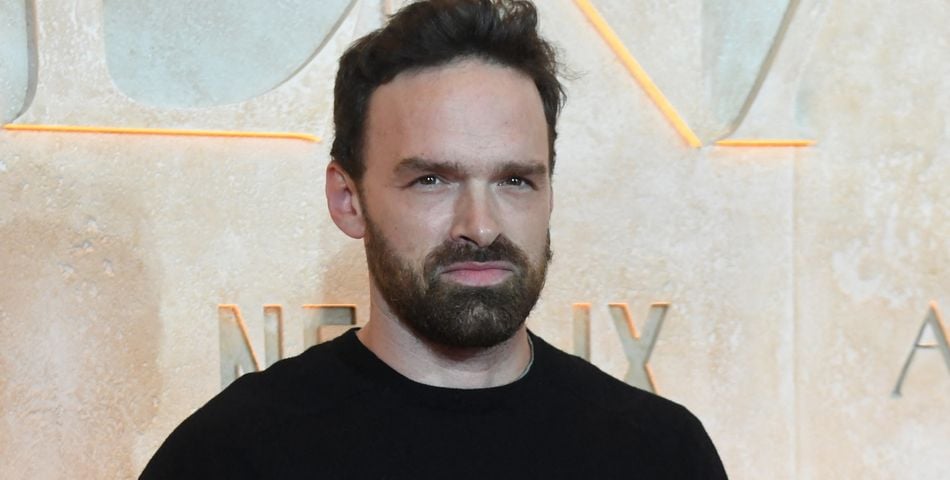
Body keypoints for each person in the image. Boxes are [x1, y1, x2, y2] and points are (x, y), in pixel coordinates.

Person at [140, 0, 728, 478]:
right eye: (431, 180)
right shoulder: (230, 456)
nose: (481, 225)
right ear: (349, 201)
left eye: (515, 180)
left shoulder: (660, 453)